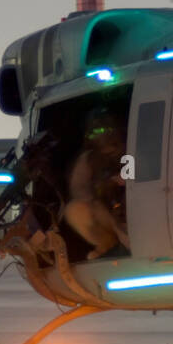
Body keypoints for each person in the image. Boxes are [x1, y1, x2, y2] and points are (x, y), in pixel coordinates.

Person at [64, 110, 130, 259]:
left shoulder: (130, 151)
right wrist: (99, 189)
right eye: (96, 131)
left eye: (106, 129)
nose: (102, 135)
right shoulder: (89, 160)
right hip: (105, 213)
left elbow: (132, 178)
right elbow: (79, 189)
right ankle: (109, 244)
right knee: (75, 209)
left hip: (134, 212)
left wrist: (118, 182)